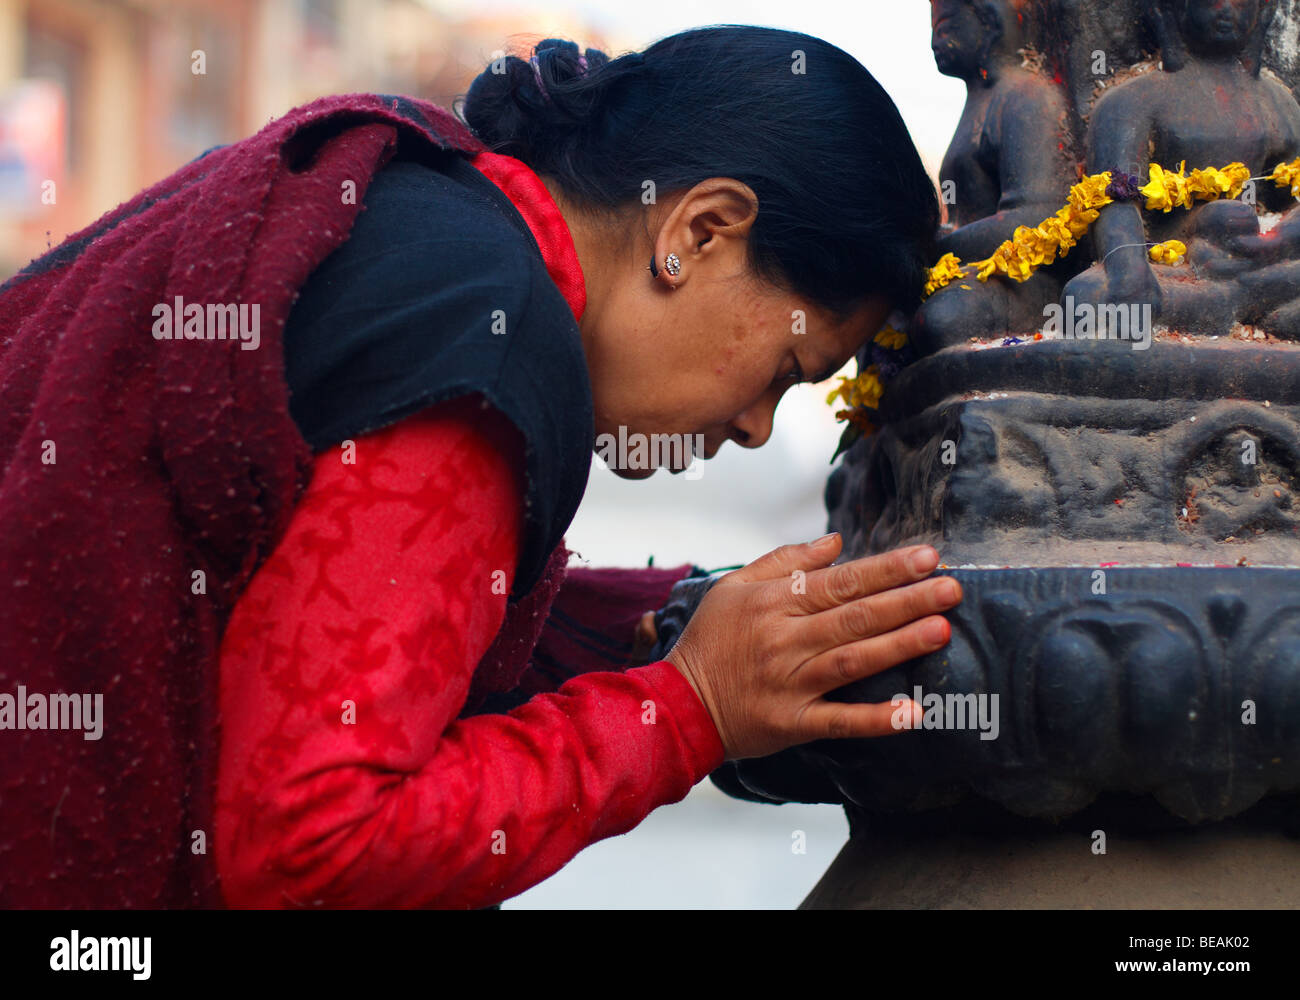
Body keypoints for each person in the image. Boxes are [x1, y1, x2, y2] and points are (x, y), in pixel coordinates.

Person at [0, 26, 959, 909]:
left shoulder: (429, 204)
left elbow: (356, 611)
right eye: (787, 371)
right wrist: (689, 706)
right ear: (699, 233)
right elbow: (307, 842)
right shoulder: (486, 340)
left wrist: (681, 623)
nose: (756, 428)